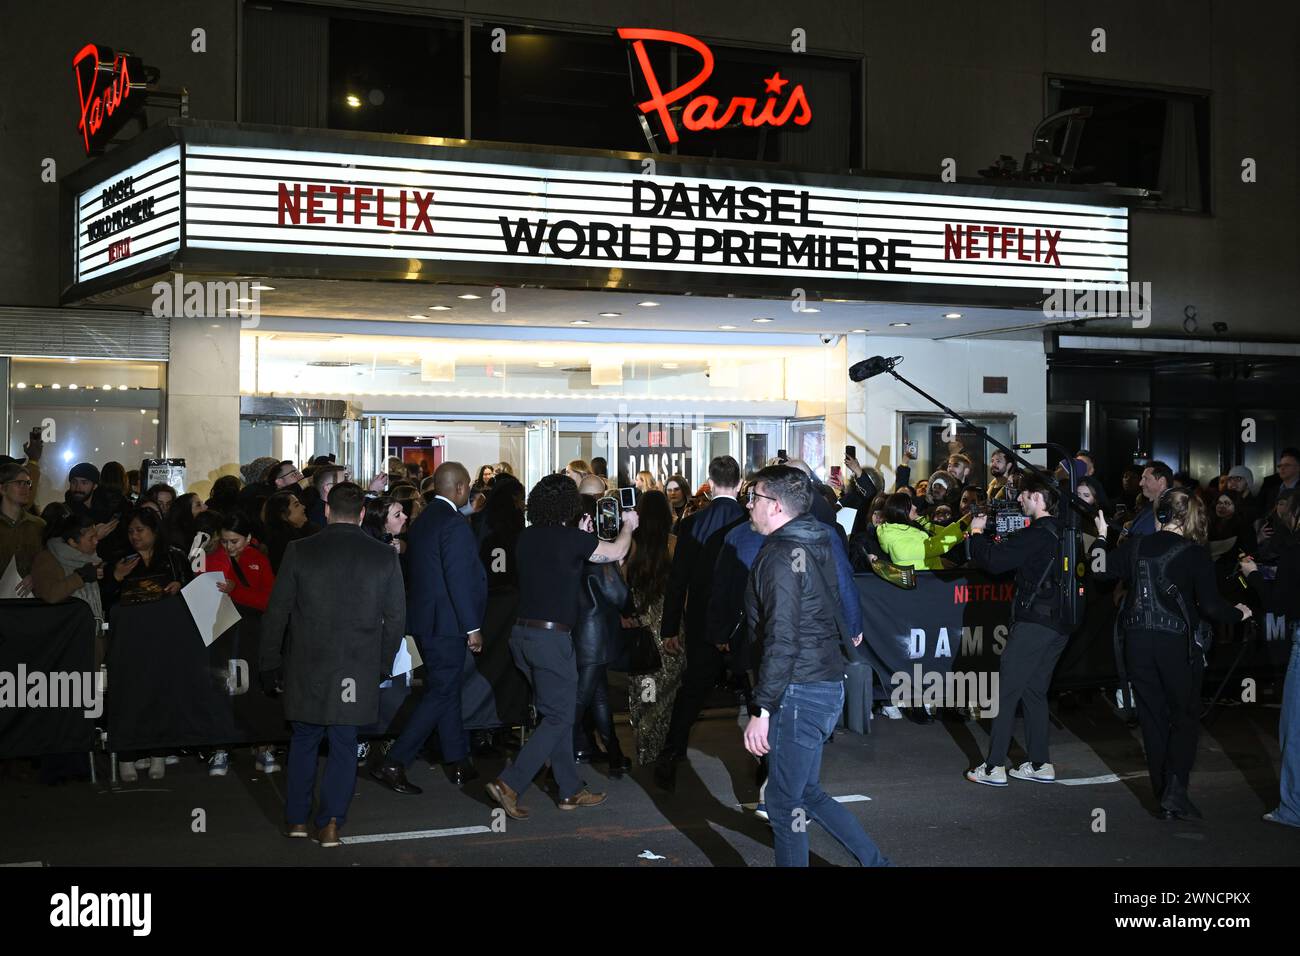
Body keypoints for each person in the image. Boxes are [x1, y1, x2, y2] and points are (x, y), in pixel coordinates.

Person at [740, 465, 889, 867]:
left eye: (753, 498)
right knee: (805, 794)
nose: (749, 506)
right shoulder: (817, 539)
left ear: (774, 506)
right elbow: (838, 598)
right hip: (822, 680)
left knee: (784, 803)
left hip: (799, 690)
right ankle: (876, 863)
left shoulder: (780, 555)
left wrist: (762, 708)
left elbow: (783, 637)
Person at [485, 474, 638, 820]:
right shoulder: (571, 539)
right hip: (550, 640)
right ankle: (510, 782)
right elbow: (617, 551)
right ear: (570, 505)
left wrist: (581, 537)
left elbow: (559, 566)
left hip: (521, 636)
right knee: (559, 716)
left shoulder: (526, 538)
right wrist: (628, 525)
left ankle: (569, 789)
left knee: (556, 712)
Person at [260, 482, 405, 846]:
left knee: (305, 739)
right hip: (357, 664)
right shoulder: (384, 556)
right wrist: (385, 665)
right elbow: (396, 618)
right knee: (344, 742)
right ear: (360, 515)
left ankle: (296, 819)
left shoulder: (299, 550)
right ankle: (331, 824)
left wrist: (269, 661)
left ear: (326, 510)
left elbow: (277, 611)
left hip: (307, 661)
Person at [1097, 489, 1251, 820]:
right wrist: (1240, 613)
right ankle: (1175, 791)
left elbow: (1099, 570)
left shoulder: (1135, 546)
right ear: (1188, 516)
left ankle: (1162, 796)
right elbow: (1210, 606)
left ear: (1161, 514)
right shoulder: (1195, 554)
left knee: (1152, 719)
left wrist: (1099, 538)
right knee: (1183, 717)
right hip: (1176, 645)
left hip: (1136, 642)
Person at [373, 463, 487, 795]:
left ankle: (458, 760)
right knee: (441, 692)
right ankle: (395, 761)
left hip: (427, 622)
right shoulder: (454, 524)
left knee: (446, 690)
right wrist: (472, 627)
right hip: (448, 623)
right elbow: (459, 580)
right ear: (462, 487)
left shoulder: (423, 521)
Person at [964, 473, 1072, 786]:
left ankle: (994, 766)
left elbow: (994, 562)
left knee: (1006, 690)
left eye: (1023, 496)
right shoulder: (1064, 531)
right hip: (1060, 623)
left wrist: (976, 531)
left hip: (1035, 622)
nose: (1019, 501)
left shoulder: (1038, 532)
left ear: (1037, 497)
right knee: (1034, 690)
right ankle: (1040, 763)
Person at [654, 455, 747, 792]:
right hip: (741, 621)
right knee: (755, 694)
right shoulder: (750, 521)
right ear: (739, 482)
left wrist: (668, 628)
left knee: (692, 690)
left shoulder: (692, 524)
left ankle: (671, 753)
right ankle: (767, 768)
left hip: (701, 620)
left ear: (709, 482)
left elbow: (677, 581)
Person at [1239, 488, 1300, 828]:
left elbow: (1279, 601)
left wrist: (1252, 574)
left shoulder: (1294, 548)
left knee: (1295, 729)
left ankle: (1294, 808)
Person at [205, 511, 279, 776]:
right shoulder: (212, 558)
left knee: (255, 690)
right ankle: (221, 747)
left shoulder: (258, 559)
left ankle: (264, 747)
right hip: (221, 633)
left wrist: (236, 590)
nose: (230, 546)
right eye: (225, 541)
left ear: (248, 537)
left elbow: (268, 600)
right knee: (223, 686)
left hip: (252, 632)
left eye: (235, 541)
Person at [571, 494, 632, 775]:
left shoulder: (571, 548)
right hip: (594, 639)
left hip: (577, 635)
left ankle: (614, 754)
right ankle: (551, 757)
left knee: (597, 697)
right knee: (580, 703)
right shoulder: (598, 553)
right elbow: (620, 596)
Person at [623, 490, 680, 767]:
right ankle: (664, 747)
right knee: (668, 693)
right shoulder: (674, 545)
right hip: (670, 628)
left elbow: (620, 584)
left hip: (641, 628)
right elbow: (683, 591)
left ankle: (646, 747)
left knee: (645, 688)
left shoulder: (631, 545)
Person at [30, 513, 105, 652]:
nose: (96, 541)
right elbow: (50, 594)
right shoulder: (48, 558)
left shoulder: (92, 560)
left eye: (96, 536)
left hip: (91, 637)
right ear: (72, 542)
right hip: (63, 642)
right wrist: (80, 577)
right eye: (91, 538)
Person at [875, 492, 967, 571]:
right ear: (901, 511)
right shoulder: (897, 542)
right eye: (910, 506)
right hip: (924, 585)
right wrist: (967, 520)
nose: (915, 507)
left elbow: (939, 532)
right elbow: (937, 546)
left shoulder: (905, 529)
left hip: (930, 580)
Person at [0, 462, 45, 597]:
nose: (25, 488)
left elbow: (47, 561)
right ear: (2, 489)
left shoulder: (38, 525)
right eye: (19, 483)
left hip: (31, 600)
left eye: (28, 483)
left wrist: (36, 576)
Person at [262, 489, 319, 574]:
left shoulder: (312, 530)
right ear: (283, 515)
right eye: (296, 505)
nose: (303, 507)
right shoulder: (283, 547)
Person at [1125, 460, 1173, 538]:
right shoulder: (1149, 507)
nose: (1140, 483)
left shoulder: (1168, 511)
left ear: (1161, 482)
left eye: (1145, 478)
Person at [1258, 447, 1300, 518]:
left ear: (1298, 468)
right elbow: (1261, 512)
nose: (1282, 468)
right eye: (1280, 466)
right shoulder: (1271, 490)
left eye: (1287, 465)